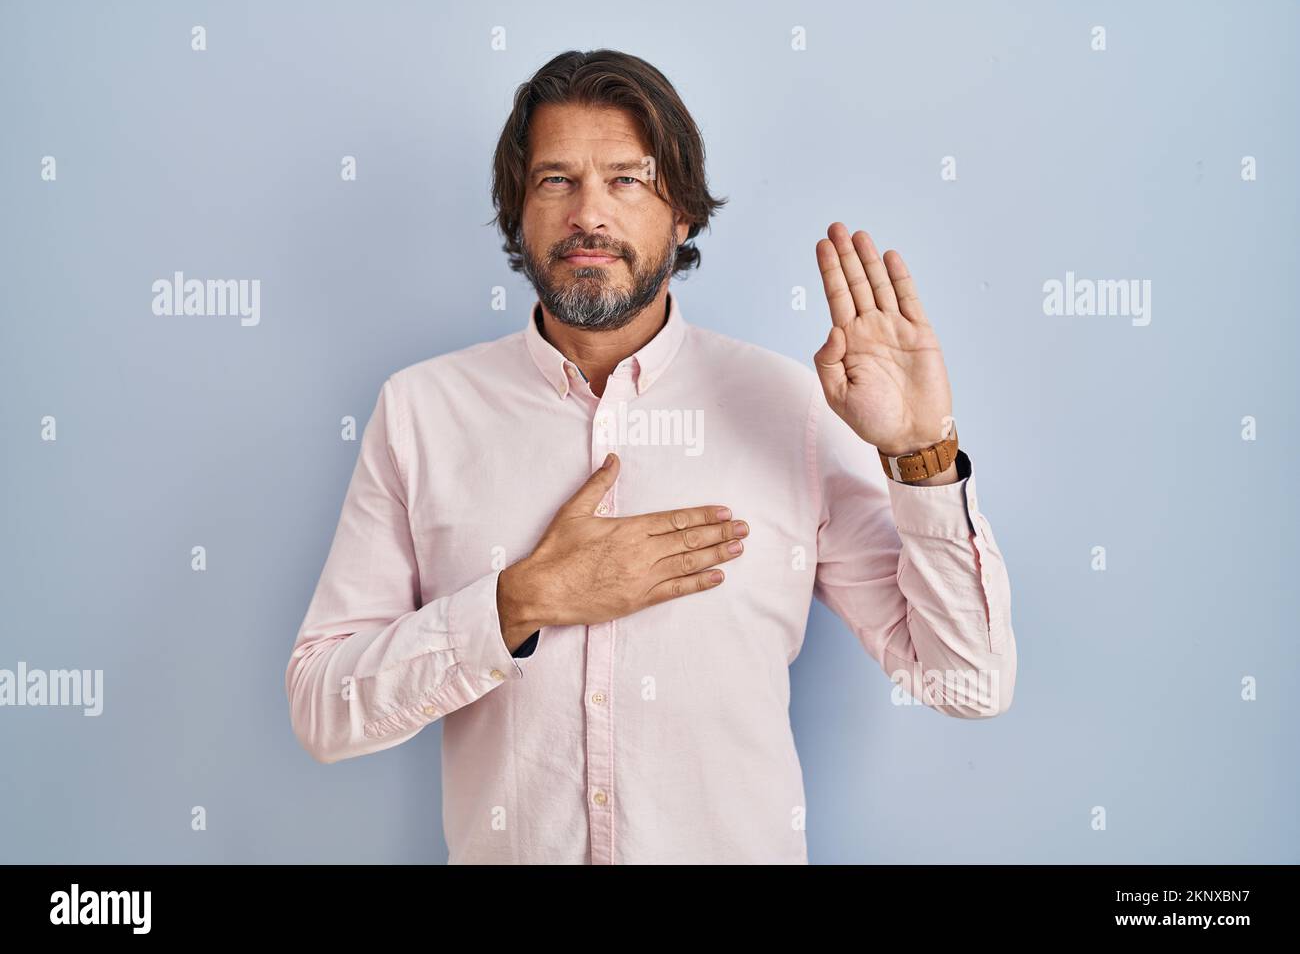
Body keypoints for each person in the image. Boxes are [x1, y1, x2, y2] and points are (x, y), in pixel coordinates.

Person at [285, 48, 1016, 864]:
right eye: (555, 180)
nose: (587, 214)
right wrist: (517, 603)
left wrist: (922, 453)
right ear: (518, 213)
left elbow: (968, 683)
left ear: (683, 216)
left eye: (627, 180)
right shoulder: (420, 411)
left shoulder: (792, 411)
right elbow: (324, 709)